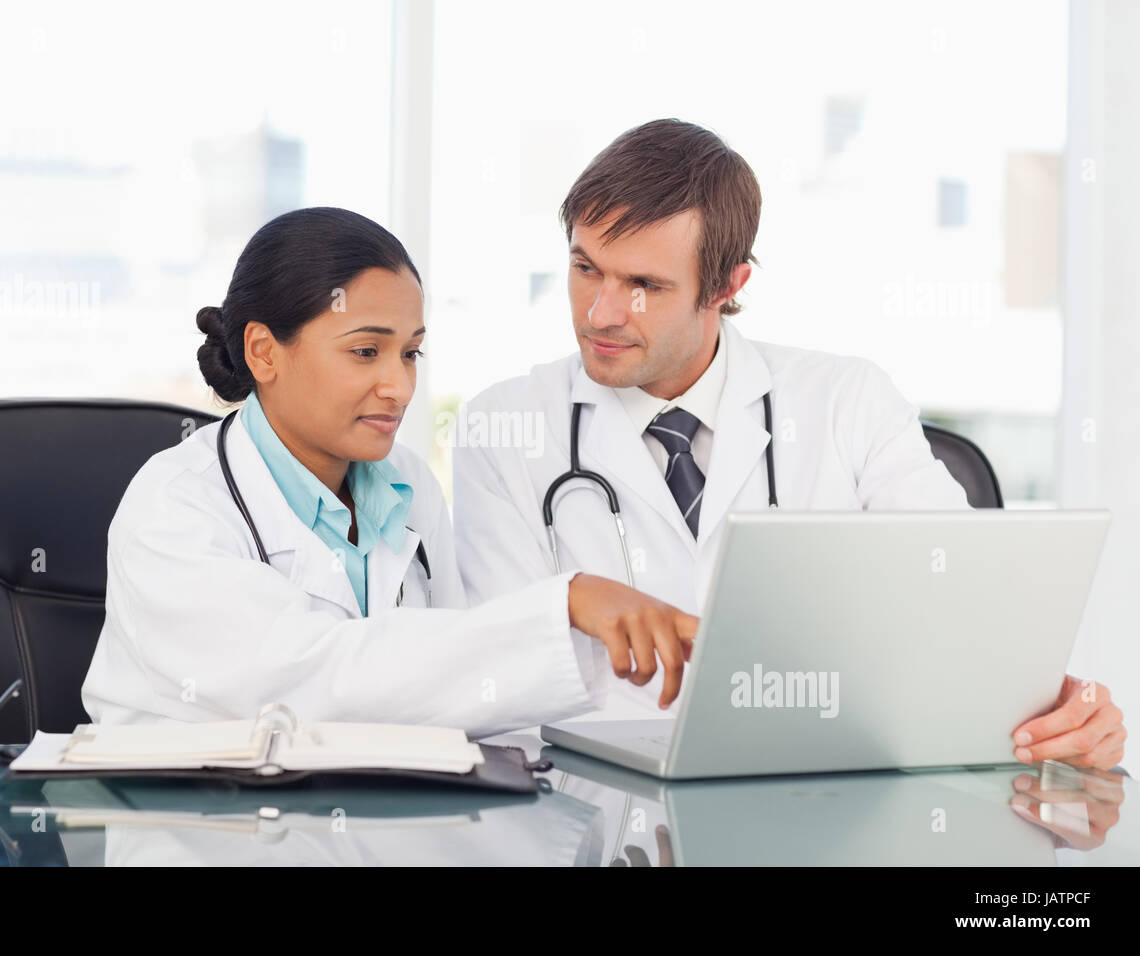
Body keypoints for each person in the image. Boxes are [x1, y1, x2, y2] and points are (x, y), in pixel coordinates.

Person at [453, 119, 1126, 771]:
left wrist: (1058, 707)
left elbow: (966, 610)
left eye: (644, 286)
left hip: (824, 803)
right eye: (586, 267)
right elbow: (494, 680)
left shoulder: (847, 403)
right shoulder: (504, 429)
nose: (600, 312)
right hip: (594, 816)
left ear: (726, 286)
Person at [81, 206, 698, 737]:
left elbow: (453, 695)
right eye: (365, 351)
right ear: (263, 351)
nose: (400, 386)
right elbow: (313, 680)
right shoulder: (175, 507)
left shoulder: (405, 485)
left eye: (410, 353)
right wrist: (566, 602)